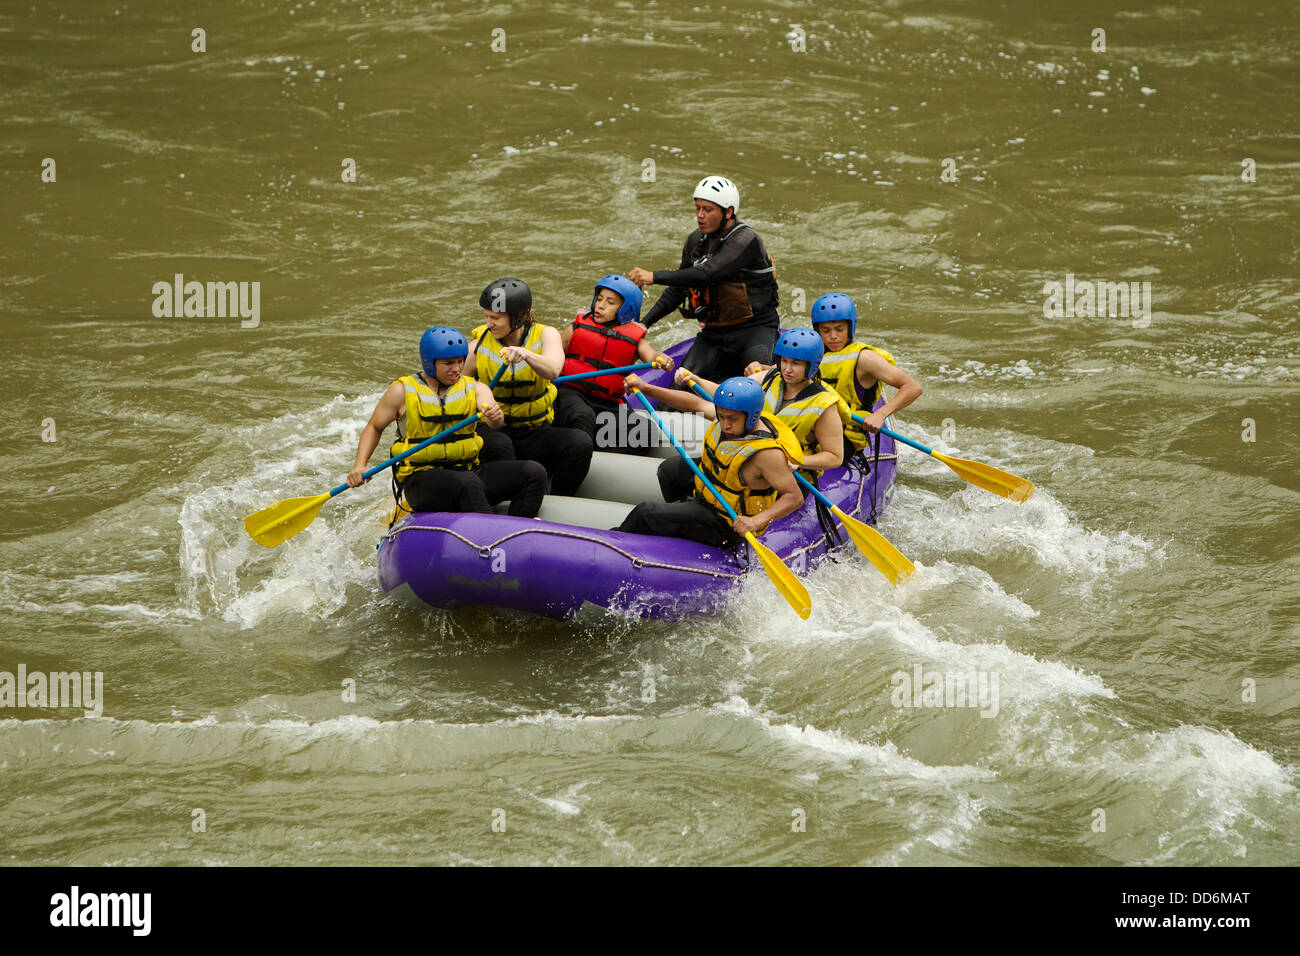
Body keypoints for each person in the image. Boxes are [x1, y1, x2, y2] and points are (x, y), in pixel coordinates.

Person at [346, 326, 547, 518]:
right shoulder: (401, 391)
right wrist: (360, 466)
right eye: (448, 363)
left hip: (467, 472)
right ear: (429, 363)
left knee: (533, 473)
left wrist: (494, 415)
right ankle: (491, 541)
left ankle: (519, 532)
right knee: (468, 484)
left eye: (460, 361)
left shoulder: (475, 388)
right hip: (421, 480)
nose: (457, 368)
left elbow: (495, 420)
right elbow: (374, 427)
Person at [628, 325, 843, 502]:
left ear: (812, 366)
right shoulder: (771, 377)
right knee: (671, 471)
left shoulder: (824, 405)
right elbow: (730, 395)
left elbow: (834, 456)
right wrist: (695, 380)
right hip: (741, 454)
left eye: (795, 364)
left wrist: (799, 461)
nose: (787, 368)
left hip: (786, 475)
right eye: (784, 361)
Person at [614, 377, 804, 547]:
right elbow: (694, 404)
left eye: (731, 419)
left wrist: (755, 521)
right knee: (669, 470)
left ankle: (614, 542)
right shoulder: (732, 415)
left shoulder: (767, 454)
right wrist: (646, 388)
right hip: (708, 494)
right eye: (720, 416)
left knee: (645, 512)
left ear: (752, 416)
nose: (725, 424)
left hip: (727, 522)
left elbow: (794, 497)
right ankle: (681, 523)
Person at [627, 176, 779, 384]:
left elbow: (708, 272)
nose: (700, 215)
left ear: (728, 212)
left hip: (754, 330)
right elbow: (679, 289)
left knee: (758, 381)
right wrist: (644, 324)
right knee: (680, 384)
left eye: (707, 210)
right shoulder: (695, 241)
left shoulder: (746, 239)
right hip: (714, 334)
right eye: (697, 208)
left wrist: (653, 277)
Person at [467, 277, 594, 496]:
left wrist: (526, 355)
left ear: (519, 317)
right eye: (487, 316)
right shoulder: (477, 345)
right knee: (500, 445)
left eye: (496, 318)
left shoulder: (547, 335)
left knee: (580, 443)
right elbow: (461, 387)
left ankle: (557, 498)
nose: (489, 323)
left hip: (534, 431)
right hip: (497, 429)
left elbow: (554, 369)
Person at [554, 274, 674, 455]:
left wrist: (662, 360)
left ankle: (599, 455)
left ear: (626, 309)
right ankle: (577, 451)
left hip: (607, 405)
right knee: (582, 416)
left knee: (645, 432)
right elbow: (551, 357)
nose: (600, 305)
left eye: (610, 302)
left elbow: (651, 356)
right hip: (570, 394)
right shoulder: (576, 327)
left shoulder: (635, 338)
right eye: (599, 299)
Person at [808, 293, 922, 457]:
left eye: (839, 329)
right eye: (826, 331)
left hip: (844, 436)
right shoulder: (815, 354)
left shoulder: (865, 358)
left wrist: (880, 415)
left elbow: (913, 387)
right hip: (814, 427)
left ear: (850, 327)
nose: (833, 336)